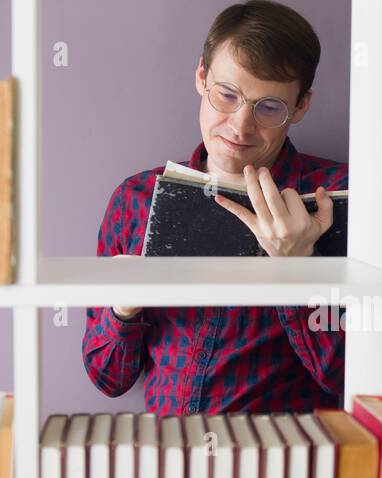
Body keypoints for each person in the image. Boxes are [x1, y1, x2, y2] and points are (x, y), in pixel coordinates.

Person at [82, 0, 346, 415]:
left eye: (270, 107)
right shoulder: (136, 198)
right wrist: (124, 307)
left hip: (284, 462)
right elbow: (107, 378)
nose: (240, 126)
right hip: (167, 462)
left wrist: (299, 270)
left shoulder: (335, 197)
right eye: (227, 94)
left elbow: (351, 378)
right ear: (202, 77)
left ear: (300, 106)